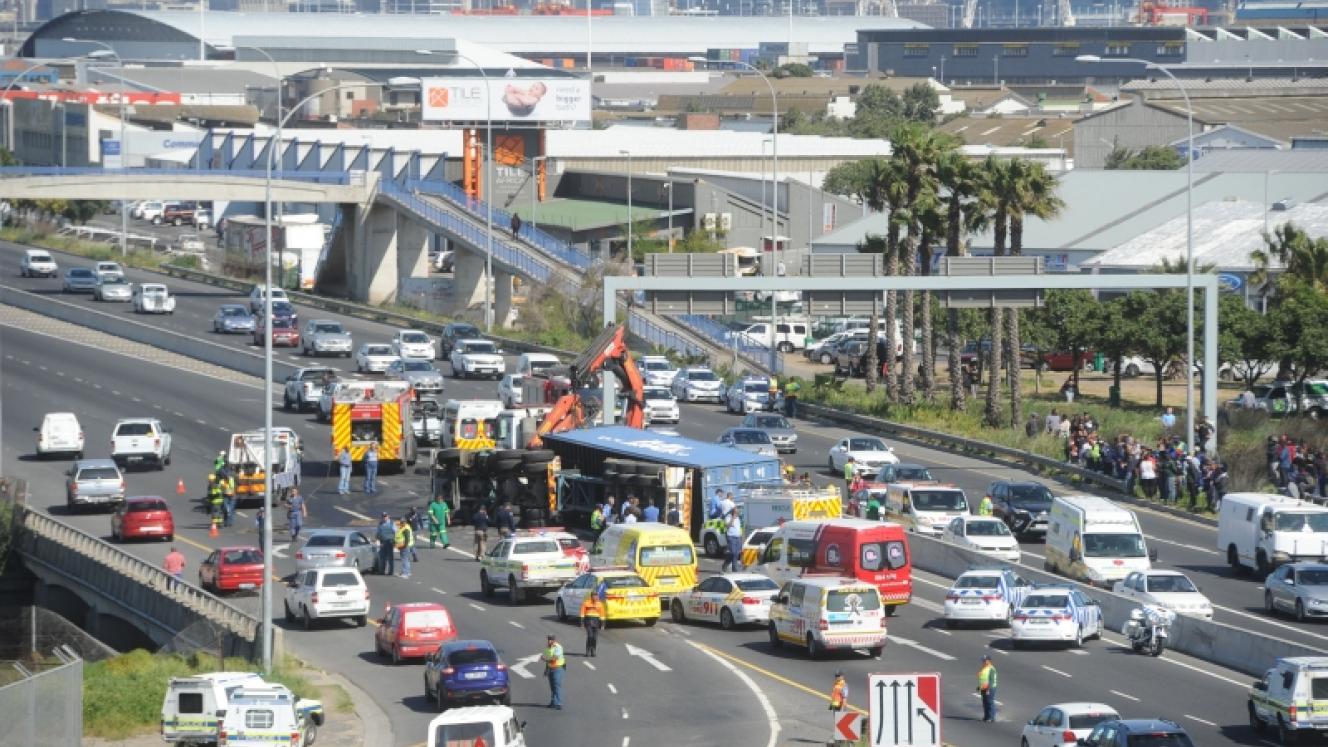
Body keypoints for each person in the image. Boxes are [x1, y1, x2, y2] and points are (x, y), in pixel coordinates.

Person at [542, 634, 565, 710]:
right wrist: (546, 670)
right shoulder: (547, 648)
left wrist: (545, 659)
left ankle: (559, 703)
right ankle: (553, 702)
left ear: (554, 640)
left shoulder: (558, 647)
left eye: (551, 640)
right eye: (548, 639)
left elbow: (554, 659)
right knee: (552, 686)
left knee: (556, 685)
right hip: (550, 668)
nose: (549, 641)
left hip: (558, 668)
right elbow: (547, 659)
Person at [580, 591, 605, 657]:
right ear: (591, 596)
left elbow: (602, 615)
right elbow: (582, 613)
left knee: (595, 638)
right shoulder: (586, 603)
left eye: (596, 596)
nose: (595, 597)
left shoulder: (600, 604)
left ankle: (593, 650)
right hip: (588, 621)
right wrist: (582, 623)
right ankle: (587, 651)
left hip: (596, 622)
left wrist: (602, 624)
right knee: (590, 636)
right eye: (594, 596)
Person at [829, 671, 849, 745]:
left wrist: (844, 707)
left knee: (840, 721)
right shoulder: (836, 683)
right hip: (835, 704)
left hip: (840, 705)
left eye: (838, 676)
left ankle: (842, 739)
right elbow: (835, 694)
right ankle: (839, 739)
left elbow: (845, 696)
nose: (837, 677)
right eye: (836, 676)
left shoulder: (844, 684)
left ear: (842, 676)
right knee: (837, 722)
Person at [721, 508, 744, 572]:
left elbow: (739, 529)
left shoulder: (738, 519)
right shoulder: (728, 517)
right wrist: (733, 518)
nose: (737, 514)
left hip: (738, 537)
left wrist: (741, 538)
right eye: (736, 513)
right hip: (731, 537)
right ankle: (734, 569)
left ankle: (728, 565)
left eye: (738, 513)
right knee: (733, 553)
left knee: (736, 554)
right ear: (733, 513)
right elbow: (727, 526)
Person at [977, 654, 998, 722]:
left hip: (990, 688)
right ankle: (986, 717)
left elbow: (991, 680)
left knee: (989, 702)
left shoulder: (991, 669)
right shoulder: (984, 668)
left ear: (989, 661)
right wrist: (979, 687)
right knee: (984, 702)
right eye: (983, 660)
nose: (983, 661)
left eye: (985, 660)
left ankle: (991, 717)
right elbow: (983, 679)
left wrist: (988, 689)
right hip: (983, 688)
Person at [376, 512, 396, 577]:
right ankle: (382, 571)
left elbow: (396, 532)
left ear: (388, 516)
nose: (384, 518)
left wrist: (394, 541)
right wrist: (378, 539)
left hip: (390, 542)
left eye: (385, 516)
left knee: (390, 558)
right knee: (382, 557)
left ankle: (391, 572)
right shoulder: (380, 524)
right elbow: (378, 533)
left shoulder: (392, 523)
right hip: (383, 542)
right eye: (383, 516)